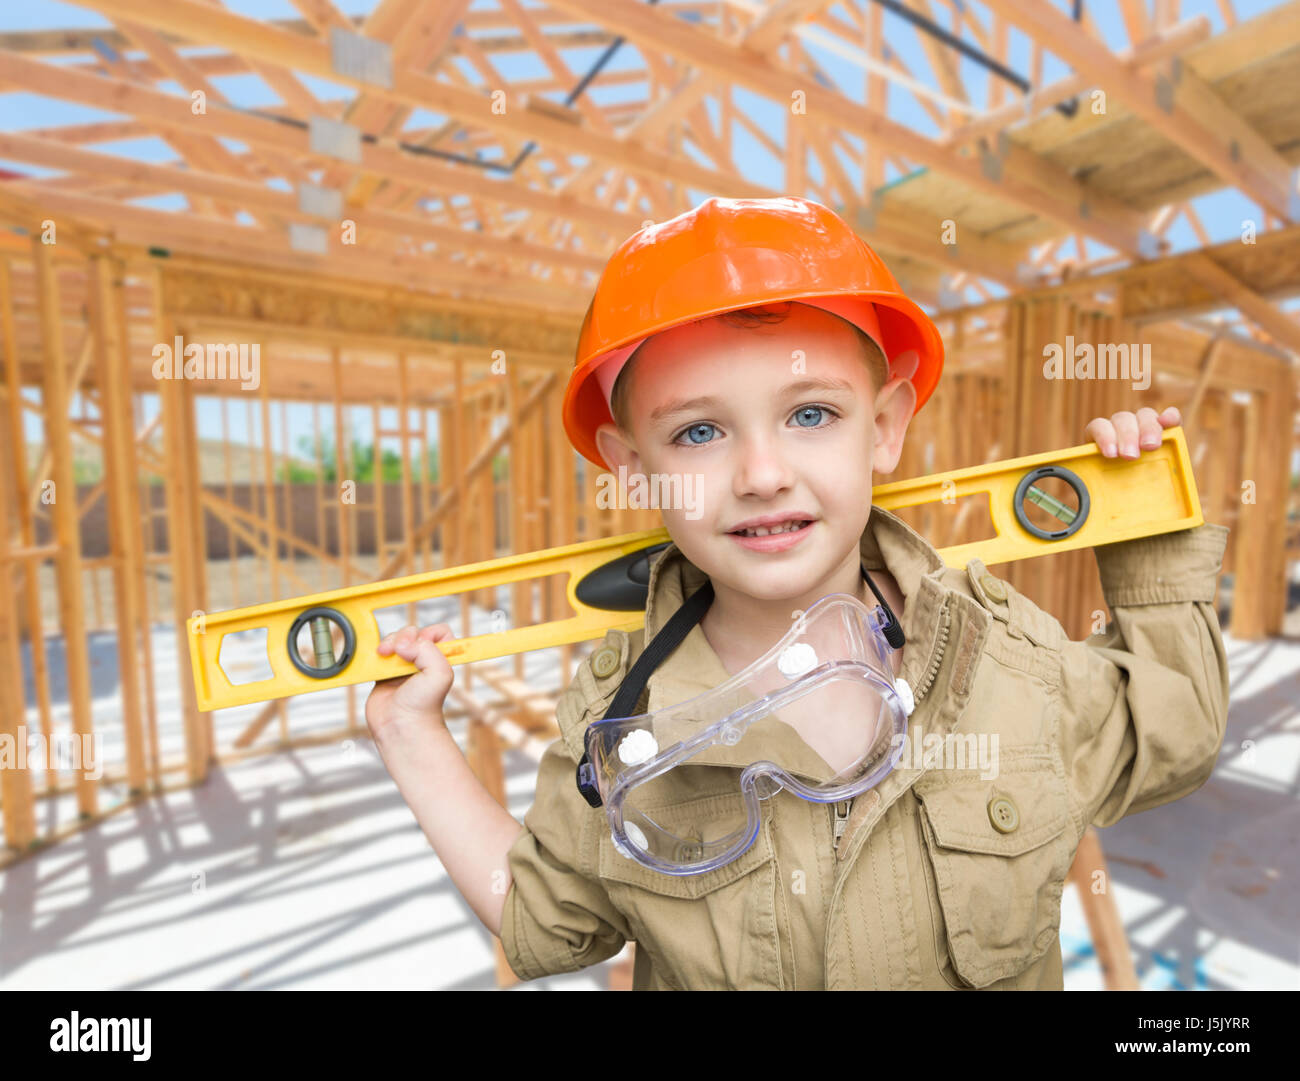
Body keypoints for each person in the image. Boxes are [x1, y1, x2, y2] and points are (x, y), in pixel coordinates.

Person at [365, 196, 1230, 990]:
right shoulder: (620, 728)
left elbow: (1176, 731)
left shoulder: (993, 652)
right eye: (699, 431)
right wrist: (410, 736)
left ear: (884, 428)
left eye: (810, 413)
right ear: (635, 469)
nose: (762, 474)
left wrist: (1151, 544)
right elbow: (544, 927)